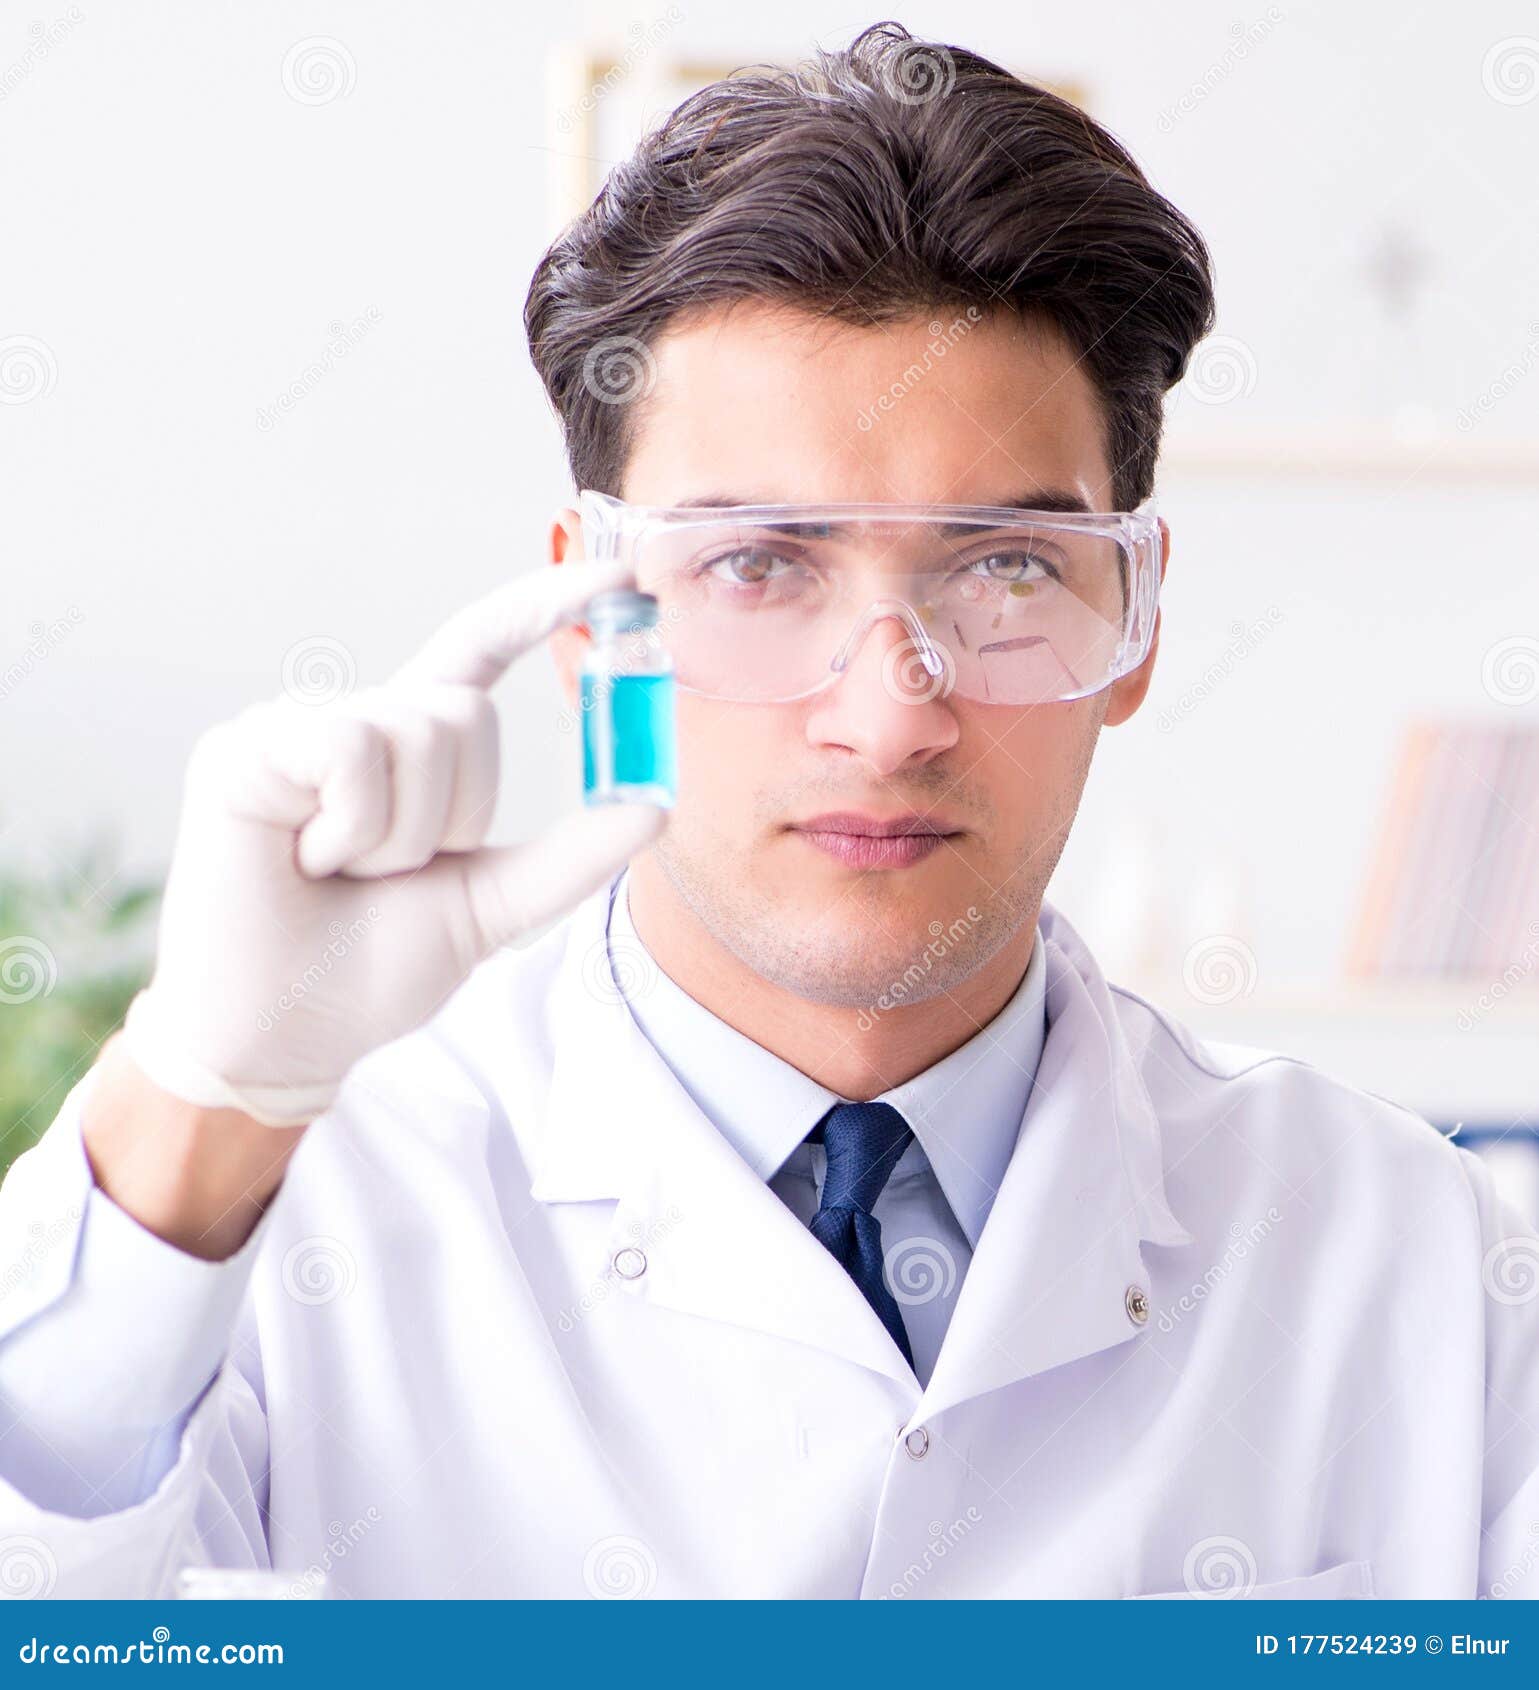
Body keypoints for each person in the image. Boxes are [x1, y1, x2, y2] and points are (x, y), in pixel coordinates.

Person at [1, 22, 1535, 1601]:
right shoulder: (287, 1234)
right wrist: (203, 1092)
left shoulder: (1406, 1254)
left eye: (1009, 567)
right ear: (591, 615)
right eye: (758, 564)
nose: (888, 716)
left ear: (1134, 621)